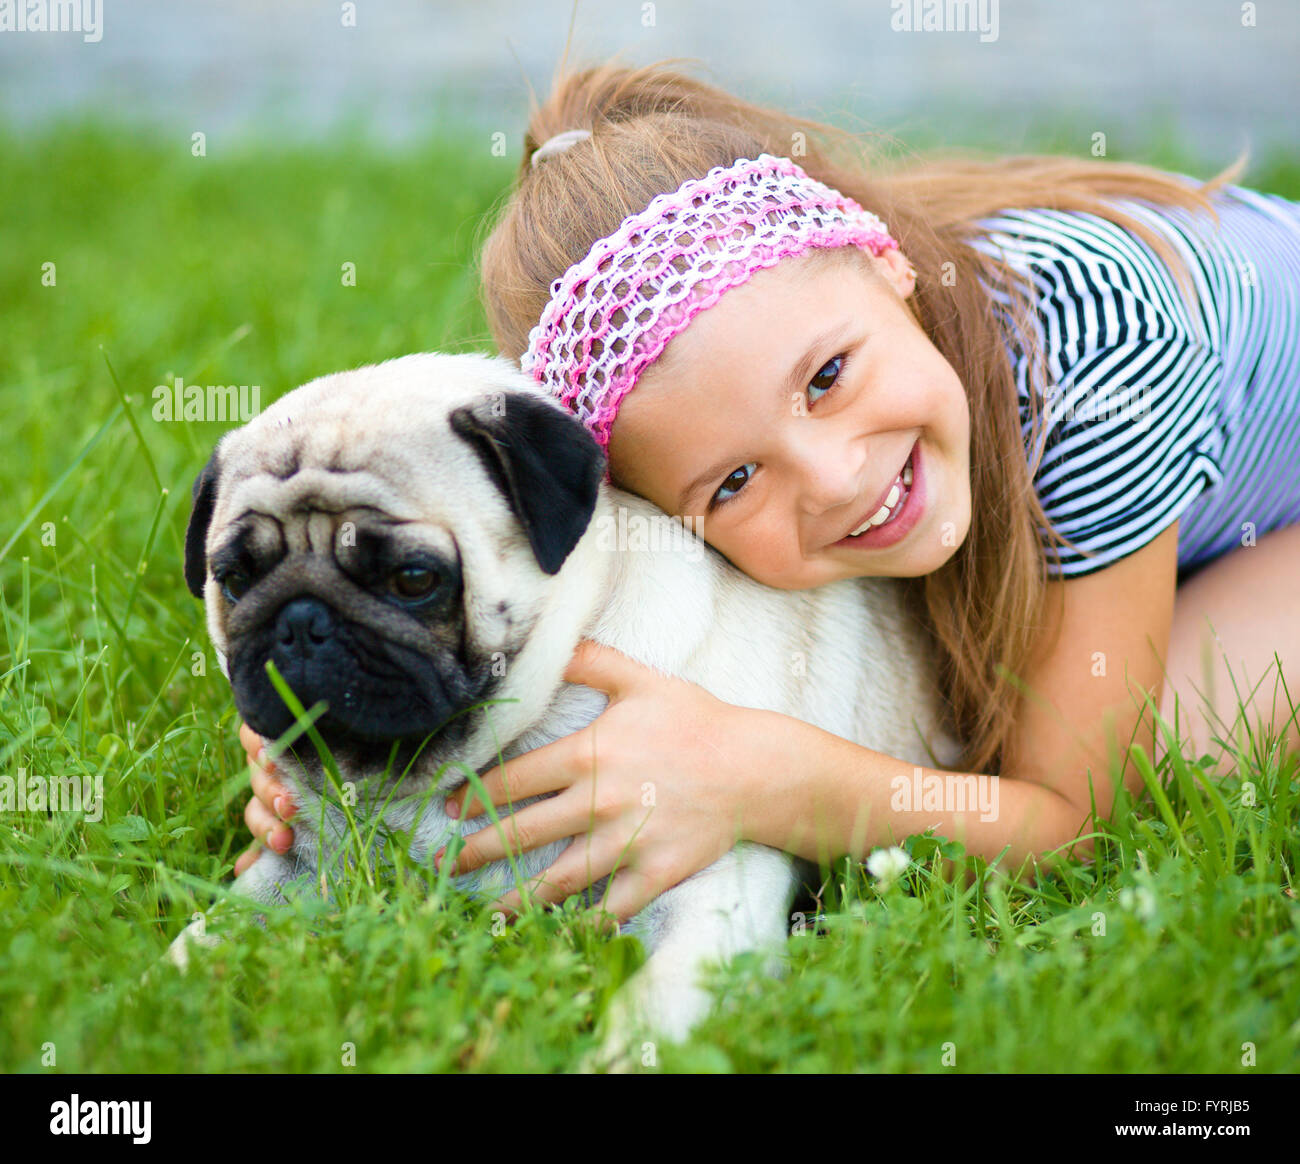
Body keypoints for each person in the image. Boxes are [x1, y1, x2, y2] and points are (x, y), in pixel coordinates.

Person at [233, 61, 1300, 925]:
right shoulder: (730, 394)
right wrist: (323, 706)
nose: (839, 476)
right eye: (734, 479)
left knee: (1153, 748)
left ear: (882, 264)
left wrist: (769, 775)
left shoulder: (1099, 363)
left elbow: (1069, 824)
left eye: (828, 376)